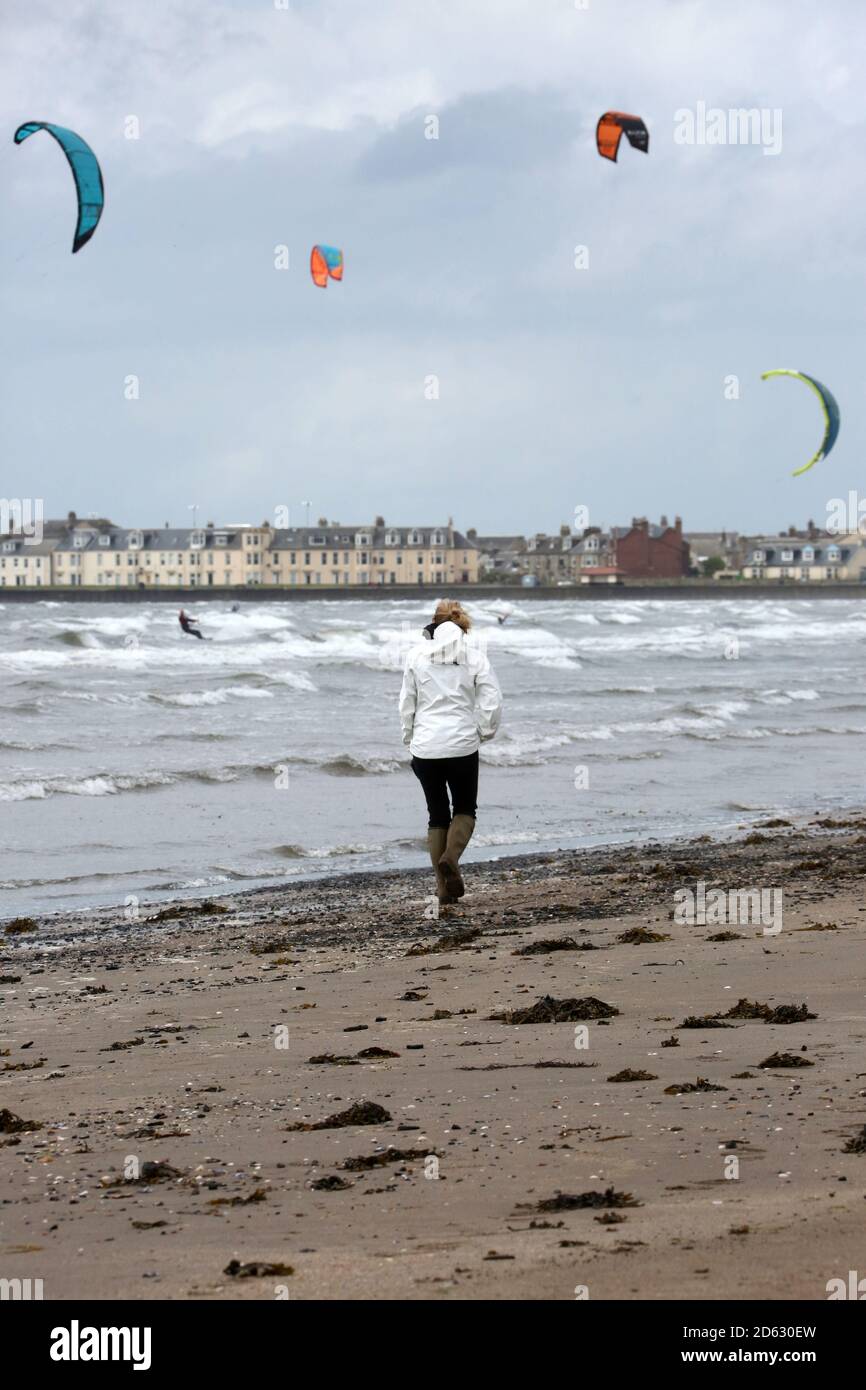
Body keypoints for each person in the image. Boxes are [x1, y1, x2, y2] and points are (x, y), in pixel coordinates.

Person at [399, 599, 502, 904]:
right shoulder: (475, 658)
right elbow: (491, 701)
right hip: (461, 746)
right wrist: (483, 732)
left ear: (433, 624)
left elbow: (407, 703)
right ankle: (452, 859)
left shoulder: (416, 656)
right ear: (462, 627)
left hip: (425, 748)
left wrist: (409, 738)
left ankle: (443, 890)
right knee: (465, 809)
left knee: (436, 815)